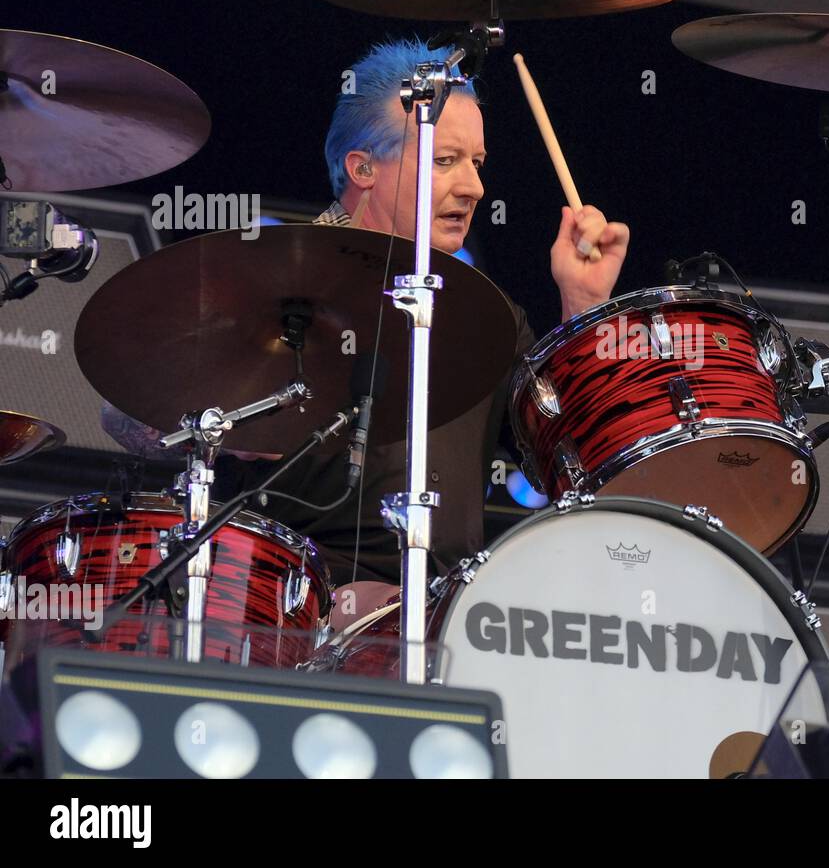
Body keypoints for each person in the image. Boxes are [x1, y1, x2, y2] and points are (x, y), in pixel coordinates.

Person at [103, 38, 630, 614]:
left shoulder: (488, 313)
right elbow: (127, 411)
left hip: (449, 616)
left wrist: (584, 305)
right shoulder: (272, 278)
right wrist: (229, 417)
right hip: (289, 607)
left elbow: (575, 458)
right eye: (444, 160)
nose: (475, 187)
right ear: (362, 168)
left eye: (477, 163)